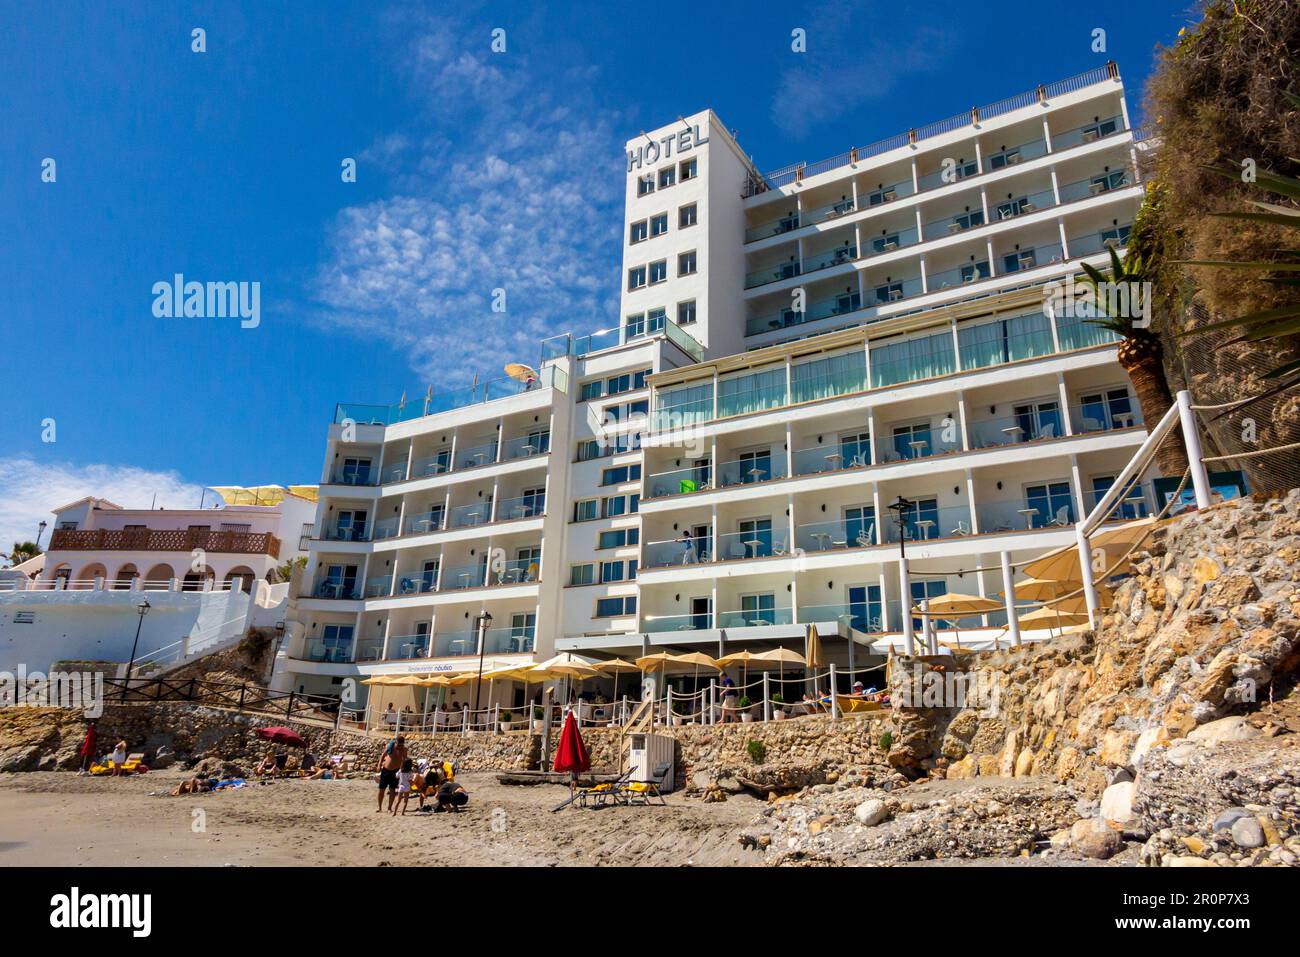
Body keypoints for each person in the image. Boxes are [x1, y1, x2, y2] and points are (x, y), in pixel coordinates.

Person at [376, 734, 407, 813]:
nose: (399, 746)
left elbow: (405, 760)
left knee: (392, 790)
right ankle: (380, 807)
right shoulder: (391, 746)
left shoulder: (404, 749)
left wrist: (403, 771)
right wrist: (379, 765)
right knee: (381, 789)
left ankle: (389, 808)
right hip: (386, 770)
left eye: (401, 745)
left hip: (395, 771)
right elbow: (383, 755)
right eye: (398, 745)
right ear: (396, 742)